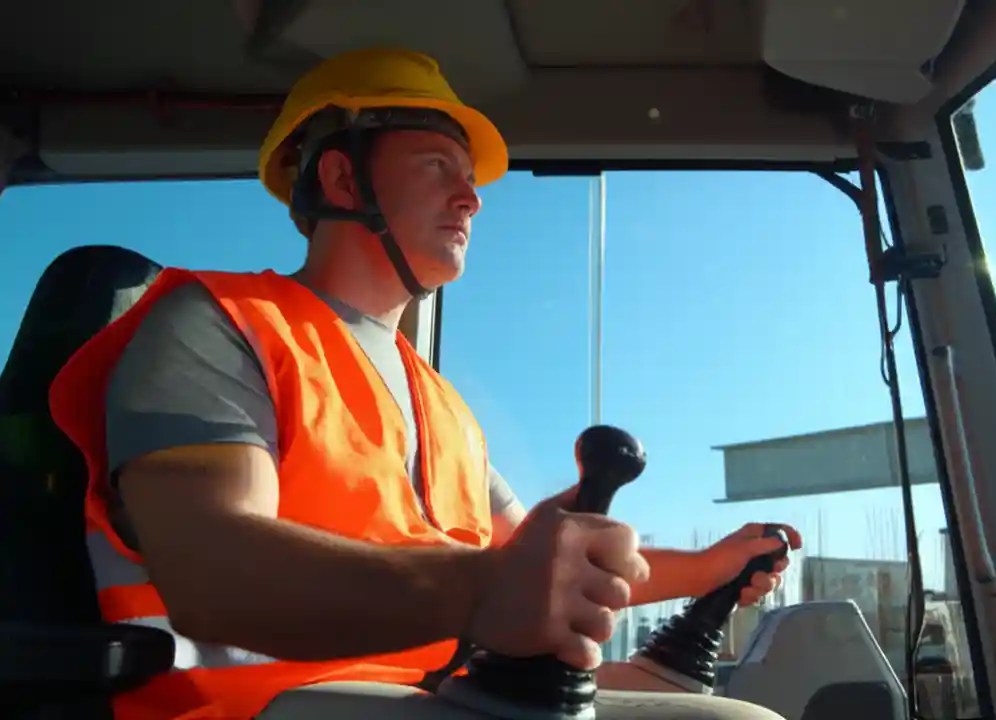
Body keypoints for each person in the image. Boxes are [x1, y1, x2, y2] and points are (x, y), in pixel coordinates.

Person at [48, 48, 802, 720]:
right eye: (438, 165)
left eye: (471, 180)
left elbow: (536, 567)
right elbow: (214, 574)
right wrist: (482, 589)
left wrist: (712, 568)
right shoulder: (220, 323)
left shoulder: (442, 406)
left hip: (422, 694)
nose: (472, 199)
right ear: (343, 177)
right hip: (241, 709)